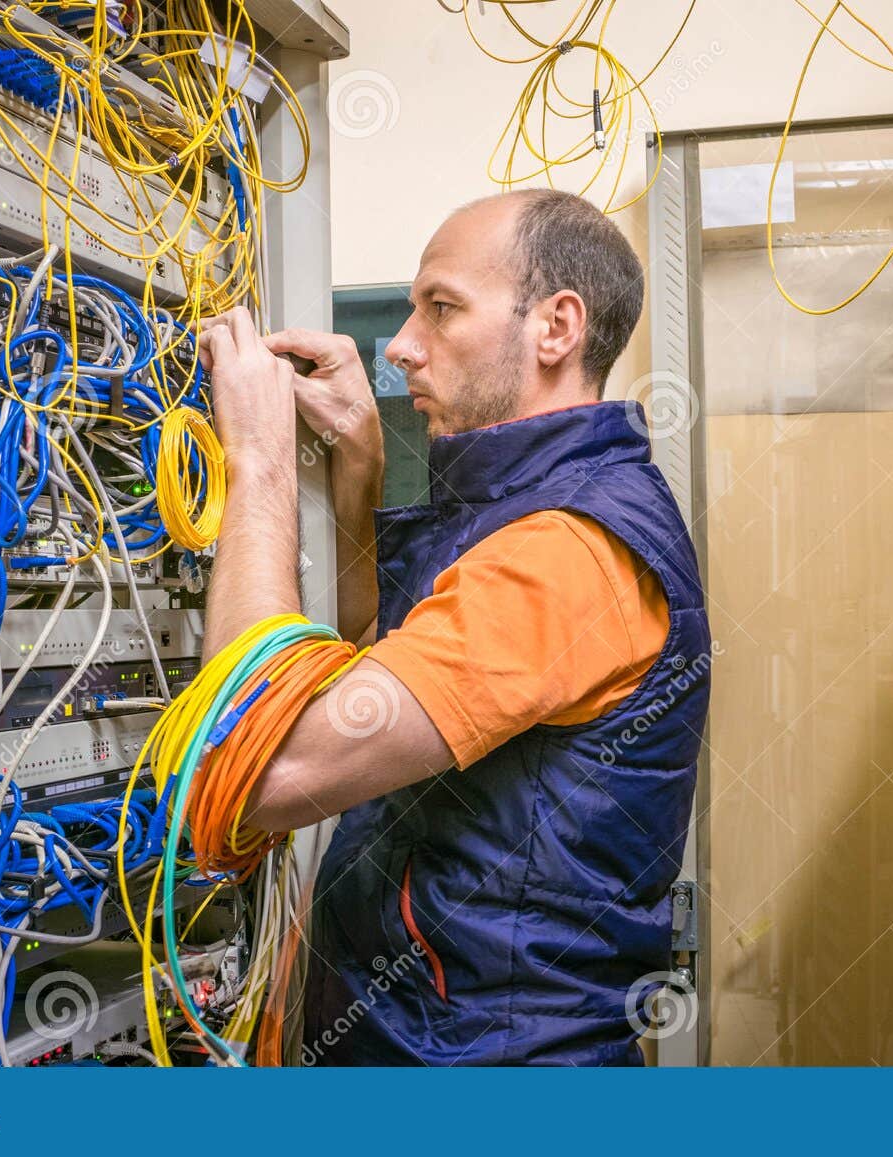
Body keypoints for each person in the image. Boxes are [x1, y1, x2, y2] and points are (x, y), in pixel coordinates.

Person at [195, 188, 709, 1066]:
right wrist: (358, 460)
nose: (400, 345)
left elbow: (254, 771)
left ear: (556, 328)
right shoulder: (534, 505)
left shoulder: (563, 553)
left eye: (440, 308)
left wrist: (260, 460)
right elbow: (380, 662)